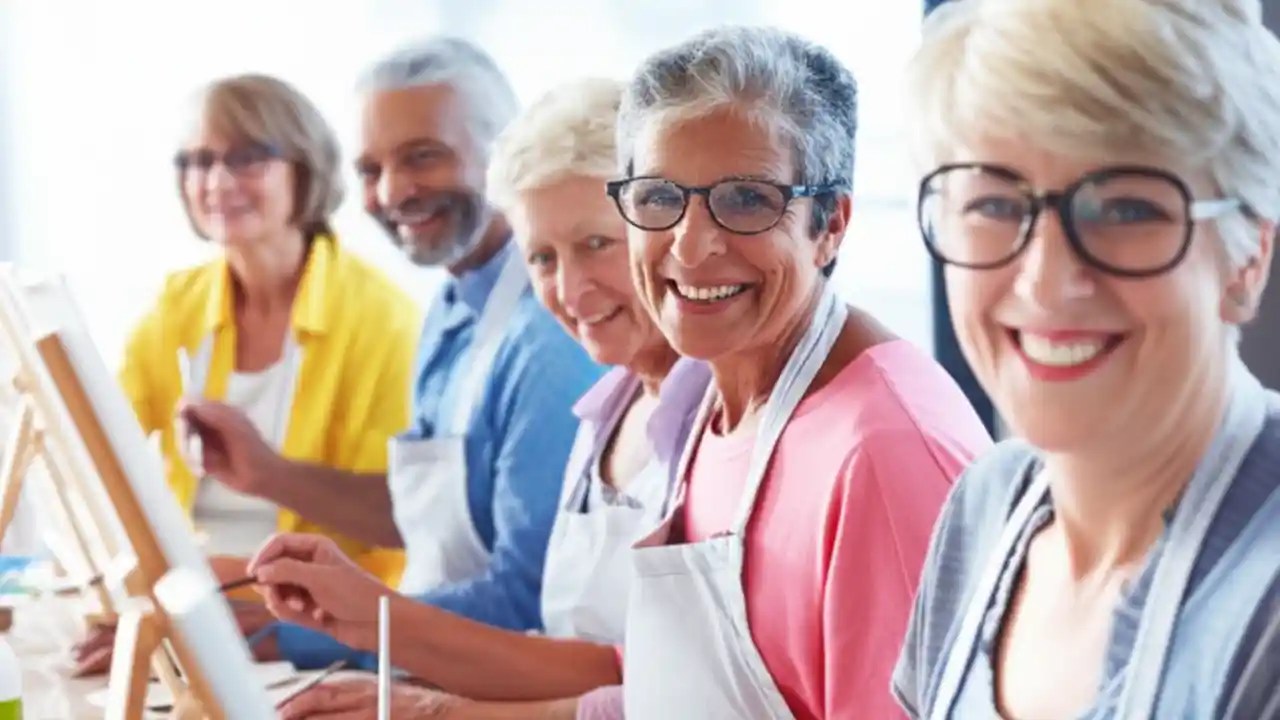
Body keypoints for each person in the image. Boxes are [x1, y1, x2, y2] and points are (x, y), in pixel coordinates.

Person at [261, 77, 712, 720]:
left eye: (596, 244)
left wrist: (424, 704)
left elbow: (676, 690)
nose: (572, 292)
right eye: (543, 258)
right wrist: (374, 634)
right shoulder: (605, 410)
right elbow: (585, 656)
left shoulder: (718, 423)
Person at [578, 26, 989, 720]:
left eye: (746, 199)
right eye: (657, 196)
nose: (691, 244)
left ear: (830, 225)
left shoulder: (884, 454)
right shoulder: (710, 399)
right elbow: (647, 679)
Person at [891, 0, 1280, 718]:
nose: (1045, 279)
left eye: (1127, 208)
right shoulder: (983, 510)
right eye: (995, 204)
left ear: (1247, 258)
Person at [176, 38, 604, 669]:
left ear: (508, 154)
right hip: (421, 666)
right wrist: (267, 474)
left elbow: (529, 604)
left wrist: (279, 629)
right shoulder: (451, 305)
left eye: (422, 158)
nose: (392, 192)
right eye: (370, 170)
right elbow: (420, 519)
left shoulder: (551, 335)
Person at [73, 73, 421, 674]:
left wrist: (231, 578)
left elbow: (398, 524)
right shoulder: (174, 307)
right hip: (196, 597)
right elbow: (99, 461)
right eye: (198, 161)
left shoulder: (383, 319)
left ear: (304, 171)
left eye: (248, 158)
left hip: (314, 622)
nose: (215, 183)